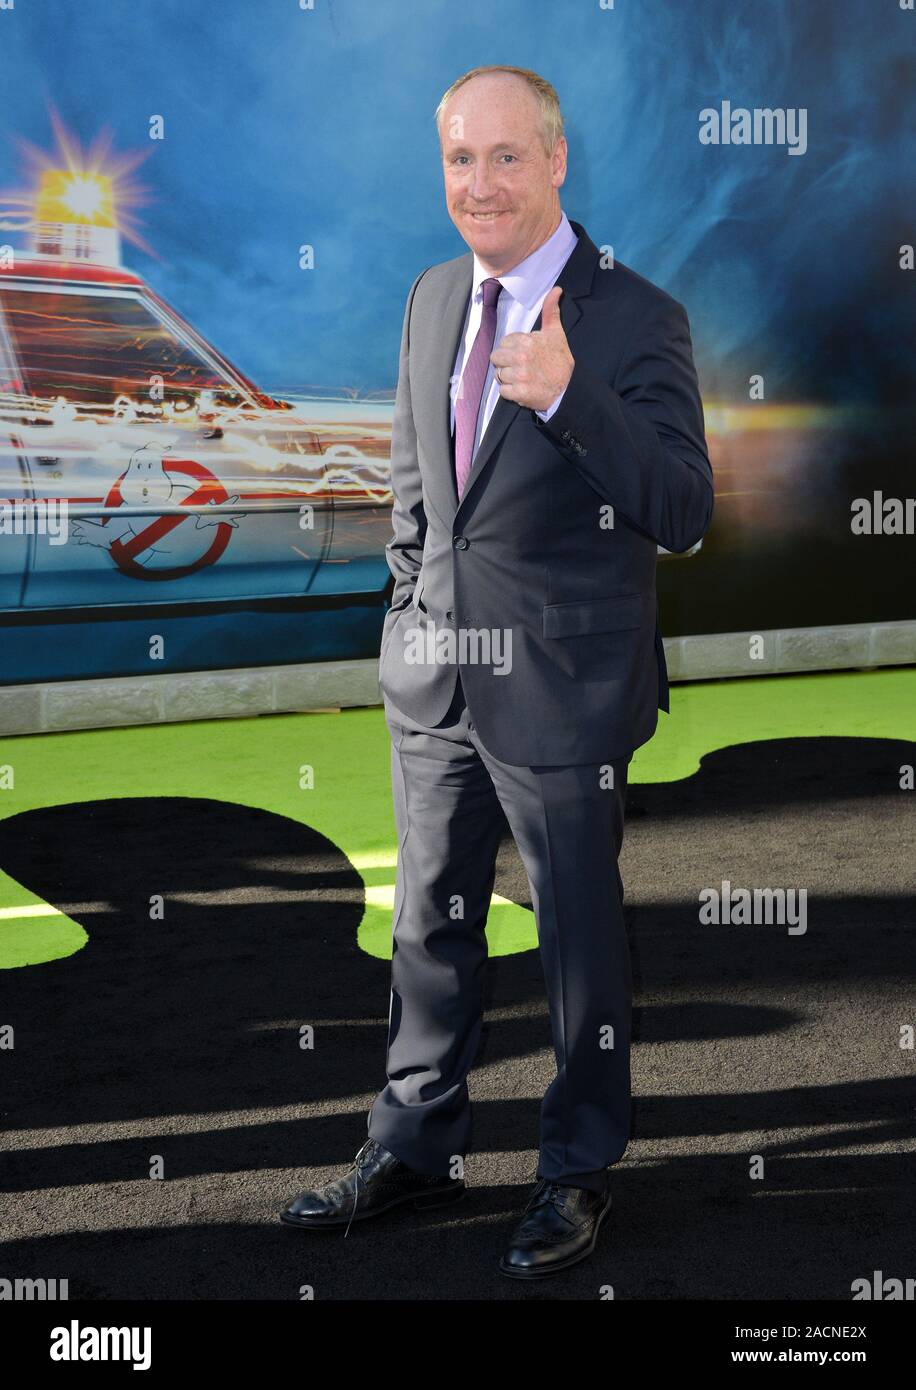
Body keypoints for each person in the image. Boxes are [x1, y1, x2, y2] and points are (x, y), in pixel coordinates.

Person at [280, 64, 713, 1279]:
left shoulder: (635, 315)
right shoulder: (429, 298)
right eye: (461, 160)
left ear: (558, 161)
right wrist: (409, 620)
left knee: (579, 941)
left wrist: (573, 396)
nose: (482, 183)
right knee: (429, 922)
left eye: (507, 157)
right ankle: (413, 1144)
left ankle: (577, 1170)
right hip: (436, 681)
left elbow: (680, 509)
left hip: (563, 691)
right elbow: (420, 500)